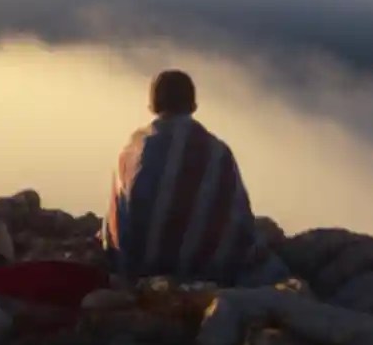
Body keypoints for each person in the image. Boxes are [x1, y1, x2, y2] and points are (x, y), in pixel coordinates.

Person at [101, 69, 289, 286]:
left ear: (152, 106)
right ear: (193, 106)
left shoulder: (130, 152)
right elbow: (239, 217)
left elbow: (117, 217)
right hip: (207, 270)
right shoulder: (217, 153)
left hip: (136, 267)